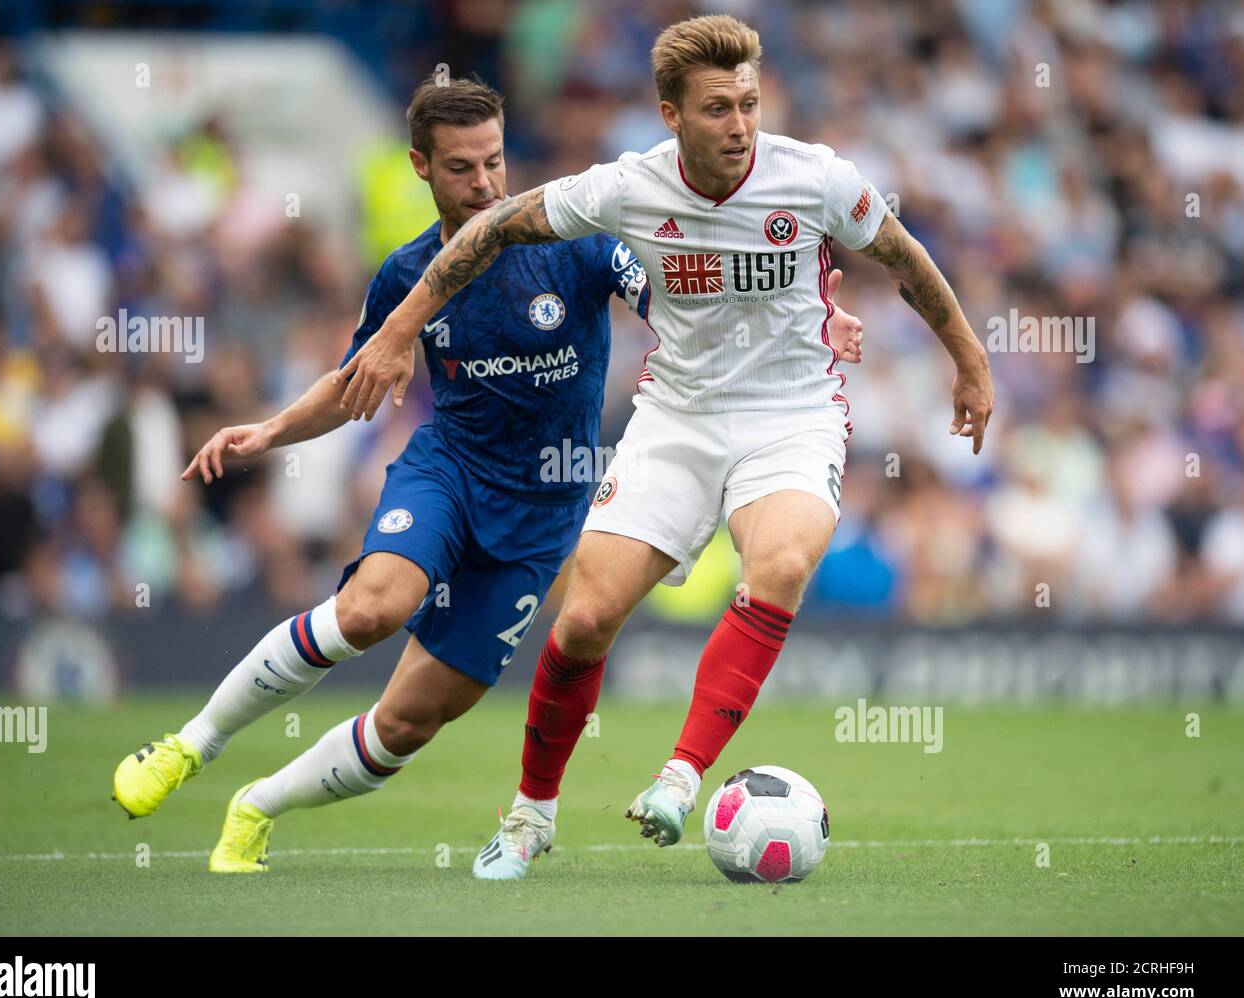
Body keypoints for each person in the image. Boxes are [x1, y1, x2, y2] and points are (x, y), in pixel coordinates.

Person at [109, 72, 872, 873]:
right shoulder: (409, 275)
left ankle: (258, 805)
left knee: (406, 724)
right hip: (450, 474)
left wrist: (805, 321)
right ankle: (191, 745)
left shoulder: (575, 240)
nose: (483, 184)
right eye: (461, 168)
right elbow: (354, 382)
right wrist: (270, 432)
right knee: (371, 609)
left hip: (542, 518)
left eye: (494, 163)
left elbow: (675, 303)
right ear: (420, 167)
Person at [334, 15, 993, 881]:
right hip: (676, 419)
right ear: (670, 114)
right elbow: (491, 233)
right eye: (717, 107)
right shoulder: (623, 188)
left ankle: (682, 776)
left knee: (783, 564)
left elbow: (905, 259)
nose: (740, 125)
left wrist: (971, 361)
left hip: (791, 415)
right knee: (585, 620)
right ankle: (532, 815)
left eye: (750, 103)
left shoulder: (818, 178)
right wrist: (397, 334)